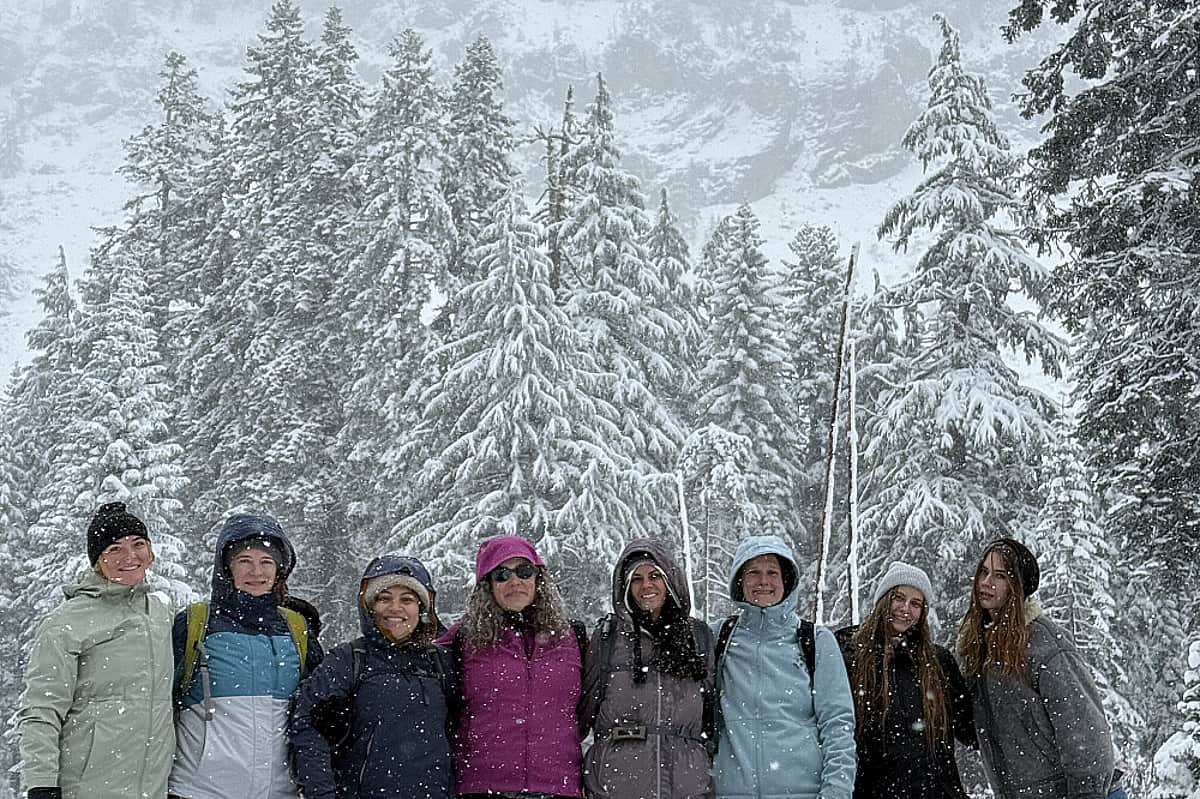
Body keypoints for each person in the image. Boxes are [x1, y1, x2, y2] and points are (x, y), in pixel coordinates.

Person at [17, 501, 175, 799]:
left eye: (138, 544)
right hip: (88, 787)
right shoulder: (68, 622)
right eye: (114, 549)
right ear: (97, 560)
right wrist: (41, 783)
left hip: (152, 789)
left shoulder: (160, 614)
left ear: (150, 552)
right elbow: (42, 709)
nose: (130, 556)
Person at [169, 514, 323, 799]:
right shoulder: (195, 624)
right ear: (227, 568)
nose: (256, 572)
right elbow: (159, 704)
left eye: (266, 562)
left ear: (279, 570)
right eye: (245, 561)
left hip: (278, 791)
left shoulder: (297, 629)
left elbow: (318, 712)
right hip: (200, 790)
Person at [958, 538, 1114, 799]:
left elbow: (1086, 738)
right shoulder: (977, 646)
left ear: (1018, 586)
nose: (986, 583)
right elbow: (976, 729)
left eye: (999, 576)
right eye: (983, 572)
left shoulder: (1045, 644)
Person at [290, 554, 456, 799]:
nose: (395, 608)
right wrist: (322, 792)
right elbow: (307, 727)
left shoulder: (441, 663)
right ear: (369, 607)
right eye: (384, 598)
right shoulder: (348, 660)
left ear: (422, 608)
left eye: (407, 599)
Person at [438, 534, 585, 799]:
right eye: (502, 574)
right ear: (488, 585)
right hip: (483, 788)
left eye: (524, 571)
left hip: (558, 787)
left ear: (538, 579)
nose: (515, 581)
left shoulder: (572, 637)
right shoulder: (464, 638)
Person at [711, 534, 856, 799]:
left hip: (802, 793)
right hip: (731, 792)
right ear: (740, 581)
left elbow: (838, 725)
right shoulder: (719, 637)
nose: (763, 581)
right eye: (753, 572)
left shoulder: (815, 641)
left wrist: (836, 792)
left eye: (772, 572)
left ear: (786, 580)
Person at [580, 539, 715, 799]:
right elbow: (582, 715)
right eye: (636, 579)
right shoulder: (608, 638)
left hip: (686, 787)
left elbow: (711, 716)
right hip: (618, 786)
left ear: (670, 581)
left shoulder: (698, 637)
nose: (646, 586)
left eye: (655, 576)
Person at [836, 561, 975, 799]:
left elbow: (972, 728)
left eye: (916, 603)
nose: (905, 609)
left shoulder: (938, 662)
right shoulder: (848, 652)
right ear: (883, 600)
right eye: (898, 598)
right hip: (871, 790)